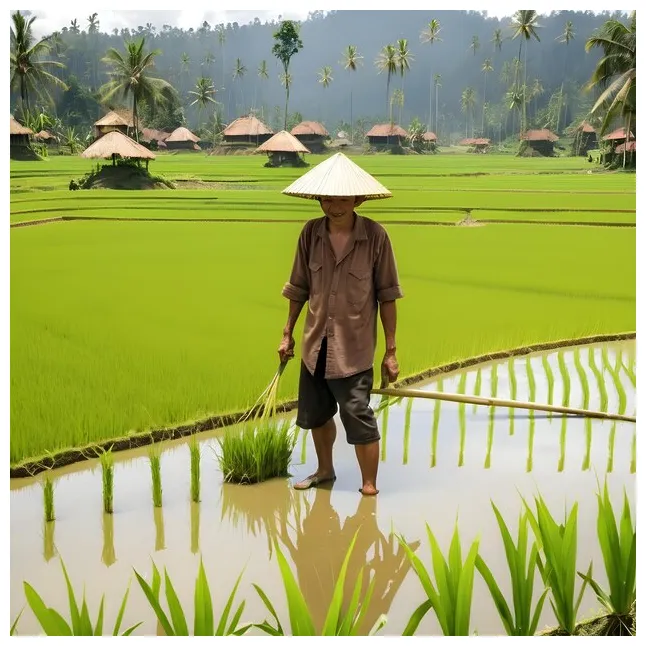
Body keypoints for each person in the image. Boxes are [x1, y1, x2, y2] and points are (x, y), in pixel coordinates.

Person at [277, 153, 403, 495]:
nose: (334, 206)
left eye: (343, 199)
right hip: (315, 344)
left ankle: (369, 486)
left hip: (355, 348)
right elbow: (298, 287)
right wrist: (287, 334)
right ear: (318, 199)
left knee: (358, 416)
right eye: (328, 198)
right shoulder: (310, 234)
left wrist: (391, 352)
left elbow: (388, 295)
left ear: (358, 200)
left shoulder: (376, 238)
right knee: (317, 415)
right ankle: (325, 470)